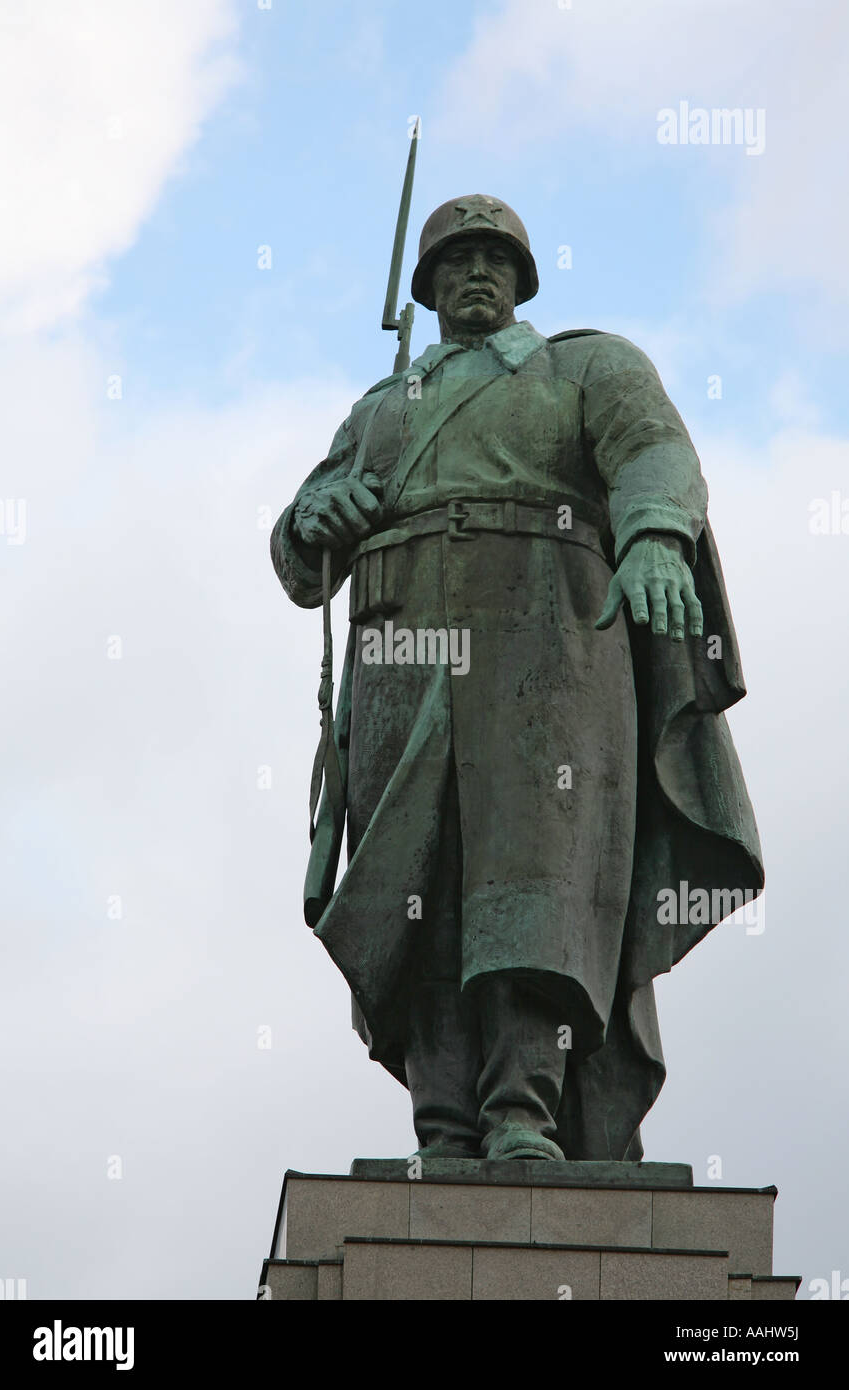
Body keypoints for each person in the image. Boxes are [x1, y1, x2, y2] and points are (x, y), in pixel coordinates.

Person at [271, 195, 763, 1162]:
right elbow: (298, 557)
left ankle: (521, 1112)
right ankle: (443, 1125)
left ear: (525, 278)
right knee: (419, 887)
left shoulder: (584, 364)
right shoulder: (380, 410)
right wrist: (311, 516)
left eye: (496, 258)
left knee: (532, 883)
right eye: (457, 262)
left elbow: (656, 452)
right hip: (403, 650)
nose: (478, 274)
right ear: (429, 286)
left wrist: (658, 536)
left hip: (547, 642)